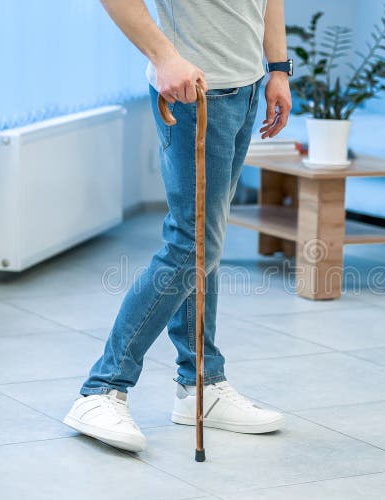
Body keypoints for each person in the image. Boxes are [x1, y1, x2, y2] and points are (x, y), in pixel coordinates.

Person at [64, 0, 293, 452]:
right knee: (191, 247)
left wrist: (278, 68)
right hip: (193, 94)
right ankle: (102, 388)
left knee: (205, 246)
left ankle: (200, 387)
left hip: (245, 88)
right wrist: (164, 56)